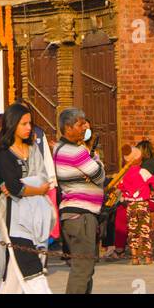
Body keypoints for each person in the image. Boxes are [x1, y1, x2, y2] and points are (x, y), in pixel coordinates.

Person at [0, 103, 52, 294]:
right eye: (24, 124)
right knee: (30, 267)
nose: (29, 128)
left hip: (38, 215)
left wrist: (28, 187)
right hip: (14, 217)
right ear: (12, 125)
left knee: (14, 272)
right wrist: (36, 189)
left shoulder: (33, 148)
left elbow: (43, 177)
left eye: (30, 123)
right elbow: (14, 187)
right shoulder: (3, 152)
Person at [54, 106, 106, 294]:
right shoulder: (75, 151)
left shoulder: (60, 148)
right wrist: (96, 162)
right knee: (82, 268)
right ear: (68, 128)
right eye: (80, 123)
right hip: (81, 214)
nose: (85, 127)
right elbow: (99, 175)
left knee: (86, 267)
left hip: (75, 214)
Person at [111, 144, 154, 265]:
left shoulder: (125, 173)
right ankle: (148, 257)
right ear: (139, 159)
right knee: (145, 230)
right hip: (142, 204)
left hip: (130, 205)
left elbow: (120, 186)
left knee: (132, 231)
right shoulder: (143, 172)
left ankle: (134, 257)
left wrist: (128, 192)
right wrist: (153, 191)